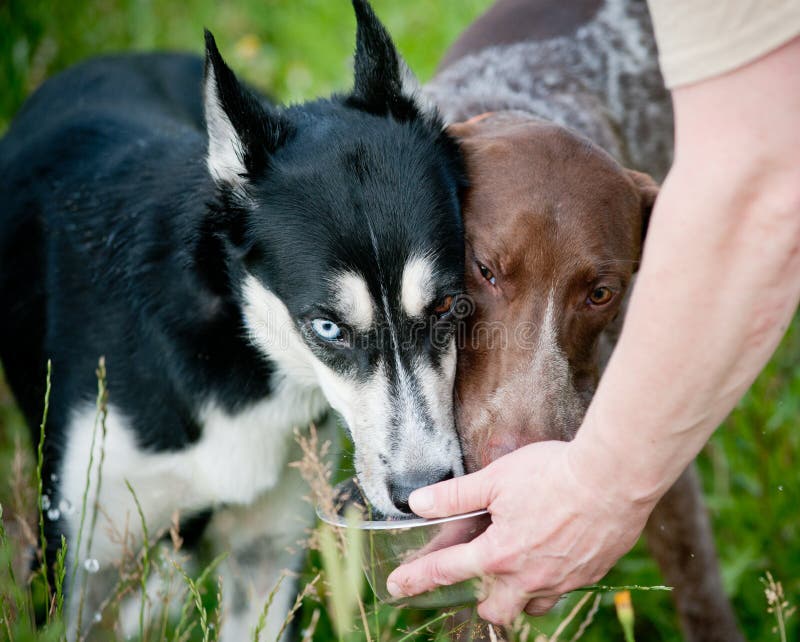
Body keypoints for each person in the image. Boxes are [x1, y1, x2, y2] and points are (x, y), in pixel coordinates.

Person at [386, 0, 800, 625]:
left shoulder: (610, 214)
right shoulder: (432, 176)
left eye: (599, 295)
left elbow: (763, 197)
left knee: (643, 406)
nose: (522, 431)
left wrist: (606, 480)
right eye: (488, 272)